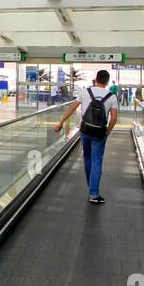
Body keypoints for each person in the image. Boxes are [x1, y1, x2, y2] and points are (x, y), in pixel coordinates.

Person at [54, 69, 118, 205]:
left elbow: (72, 108)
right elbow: (113, 119)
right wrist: (107, 132)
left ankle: (91, 185)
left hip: (85, 131)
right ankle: (93, 193)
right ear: (107, 81)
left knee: (87, 157)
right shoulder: (112, 96)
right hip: (99, 133)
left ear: (96, 79)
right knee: (97, 161)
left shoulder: (85, 92)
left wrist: (61, 122)